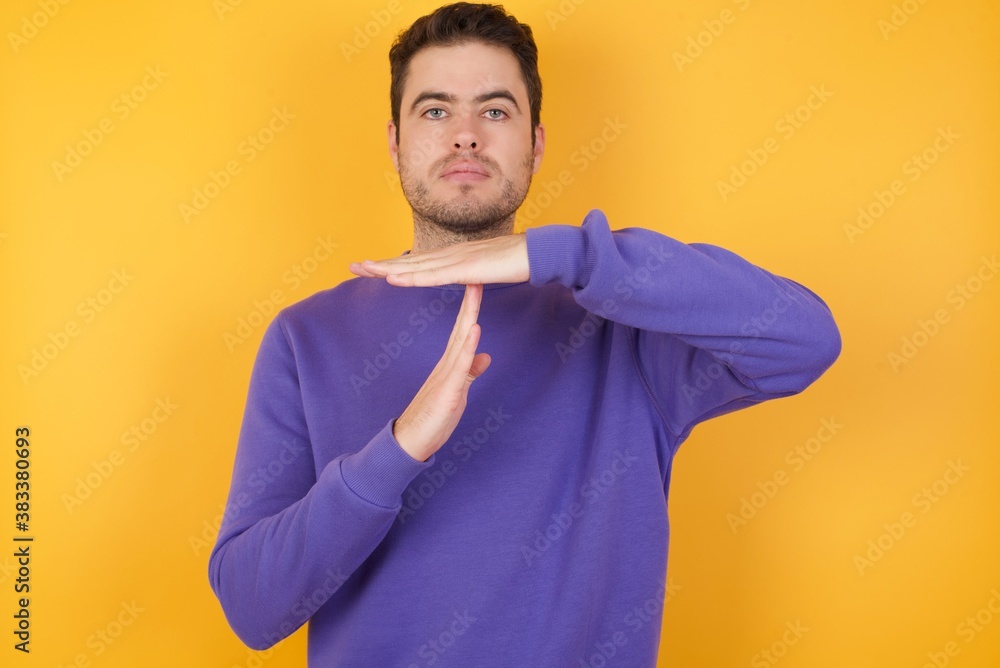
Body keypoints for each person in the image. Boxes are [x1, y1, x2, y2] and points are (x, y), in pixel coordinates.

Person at [207, 3, 841, 666]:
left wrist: (569, 255)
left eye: (495, 110)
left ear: (536, 143)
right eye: (435, 110)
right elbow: (252, 608)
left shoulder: (624, 325)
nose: (465, 136)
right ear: (395, 141)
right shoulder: (306, 338)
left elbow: (805, 339)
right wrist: (398, 449)